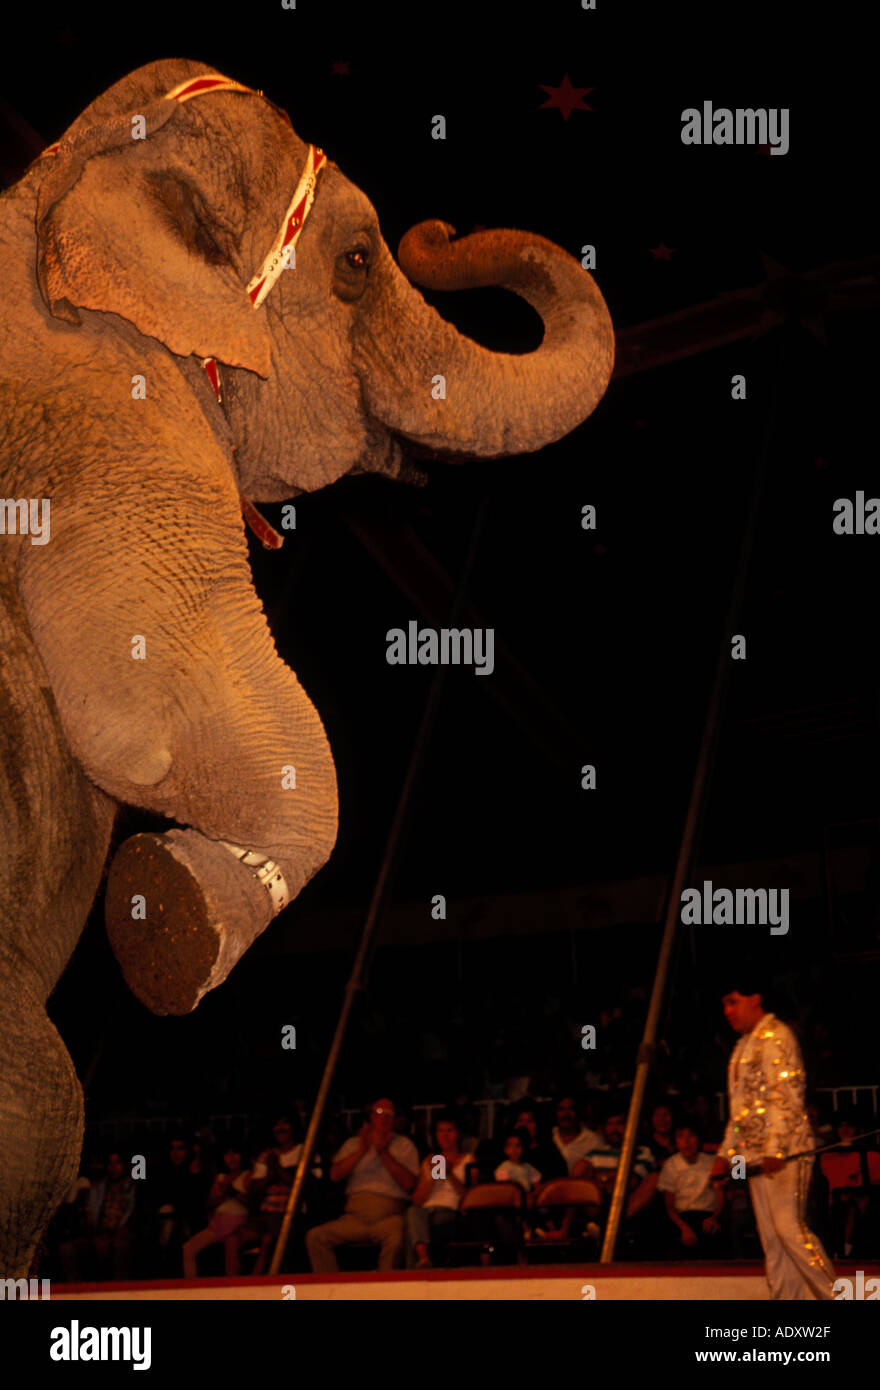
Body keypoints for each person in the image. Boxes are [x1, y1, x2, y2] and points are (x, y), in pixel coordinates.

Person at [710, 982, 837, 1300]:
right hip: (756, 1158)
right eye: (724, 1004)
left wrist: (776, 1150)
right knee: (773, 1242)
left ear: (756, 998)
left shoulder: (776, 1036)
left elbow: (787, 1098)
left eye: (733, 1001)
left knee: (789, 1230)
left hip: (786, 1154)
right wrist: (726, 1153)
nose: (727, 1011)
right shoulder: (743, 1046)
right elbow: (740, 1111)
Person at [306, 1097, 419, 1272]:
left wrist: (383, 1153)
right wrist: (362, 1150)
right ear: (371, 1116)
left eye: (389, 1114)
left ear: (395, 1118)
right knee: (315, 1237)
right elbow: (335, 1175)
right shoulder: (353, 1143)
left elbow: (409, 1183)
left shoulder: (405, 1145)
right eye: (380, 1113)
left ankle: (385, 1290)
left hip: (389, 1215)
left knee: (397, 1238)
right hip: (355, 1216)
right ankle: (331, 1291)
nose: (384, 1118)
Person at [406, 1111, 475, 1269]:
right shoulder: (430, 1160)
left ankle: (426, 1262)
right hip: (426, 1210)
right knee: (412, 1213)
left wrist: (449, 1173)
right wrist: (430, 1177)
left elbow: (470, 1197)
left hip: (450, 1210)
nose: (445, 1136)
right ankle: (423, 1258)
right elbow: (417, 1200)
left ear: (458, 1134)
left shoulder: (468, 1160)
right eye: (440, 1131)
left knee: (434, 1223)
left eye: (449, 1131)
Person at [59, 1151, 135, 1282]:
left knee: (120, 1247)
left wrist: (114, 1236)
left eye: (118, 1163)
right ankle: (78, 1293)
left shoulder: (132, 1188)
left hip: (121, 1237)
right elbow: (90, 1220)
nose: (114, 1168)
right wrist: (97, 1236)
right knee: (67, 1250)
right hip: (97, 1236)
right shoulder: (97, 1189)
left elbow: (131, 1219)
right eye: (110, 1164)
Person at [182, 1139, 251, 1277]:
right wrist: (225, 1193)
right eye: (227, 1154)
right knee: (188, 1248)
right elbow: (210, 1202)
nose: (231, 1158)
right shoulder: (220, 1177)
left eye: (235, 1153)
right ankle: (190, 1289)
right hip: (217, 1224)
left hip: (237, 1223)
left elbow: (250, 1202)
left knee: (231, 1244)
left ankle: (233, 1290)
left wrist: (230, 1190)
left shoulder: (247, 1174)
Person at [658, 1124, 725, 1256]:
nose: (686, 1142)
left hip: (708, 1216)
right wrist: (684, 1228)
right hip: (681, 1218)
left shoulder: (712, 1162)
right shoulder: (671, 1164)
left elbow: (720, 1196)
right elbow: (669, 1206)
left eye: (691, 1136)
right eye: (681, 1137)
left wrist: (714, 1217)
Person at [552, 1096, 602, 1173]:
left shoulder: (593, 1141)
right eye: (561, 1109)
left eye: (571, 1109)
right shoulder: (547, 1136)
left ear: (579, 1112)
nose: (566, 1114)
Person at [495, 1127, 542, 1193]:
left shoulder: (527, 1166)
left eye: (518, 1145)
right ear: (505, 1149)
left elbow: (537, 1183)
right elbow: (504, 1188)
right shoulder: (504, 1167)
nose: (514, 1149)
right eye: (510, 1145)